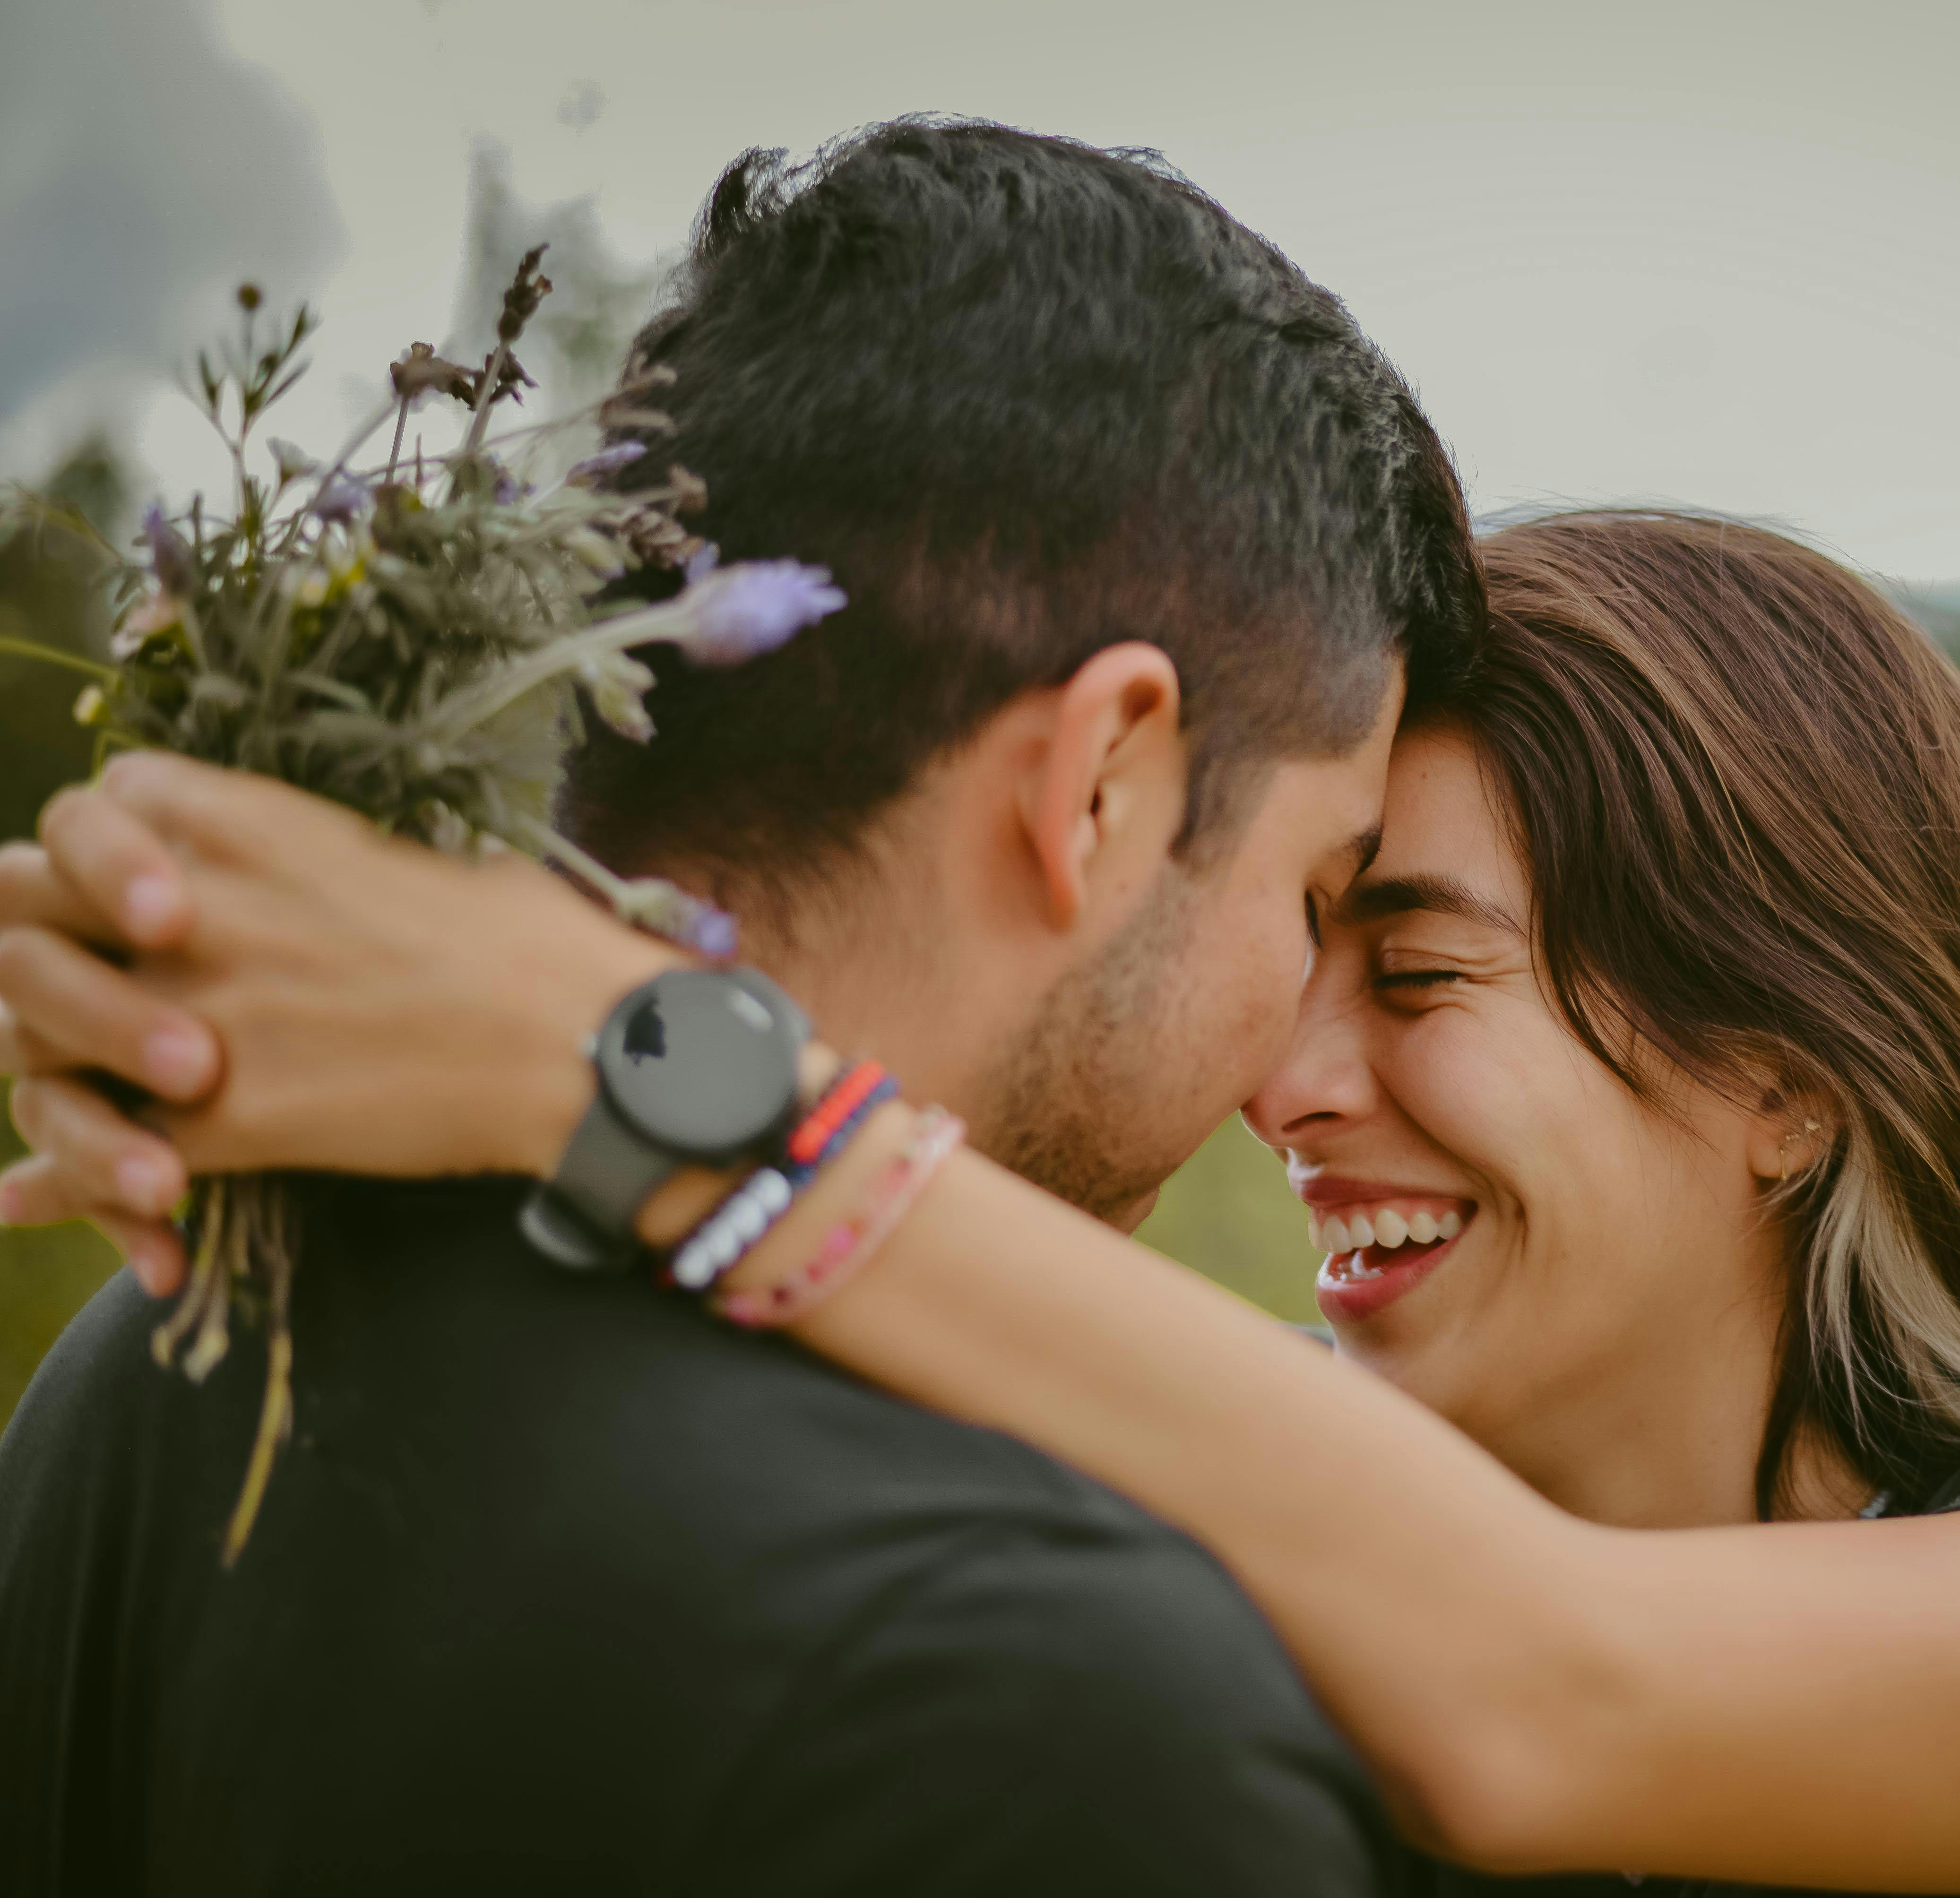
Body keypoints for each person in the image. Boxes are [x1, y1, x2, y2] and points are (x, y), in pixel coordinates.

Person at [1, 514, 1960, 1896]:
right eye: (1300, 949)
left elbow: (1559, 1693)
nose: (1285, 1086)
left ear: (1788, 1076)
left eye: (1418, 971)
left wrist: (610, 1057)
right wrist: (229, 1013)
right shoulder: (1221, 1493)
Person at [0, 116, 1485, 1896]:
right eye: (1318, 892)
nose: (1290, 1058)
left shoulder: (167, 1351)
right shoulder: (1064, 1705)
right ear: (1098, 782)